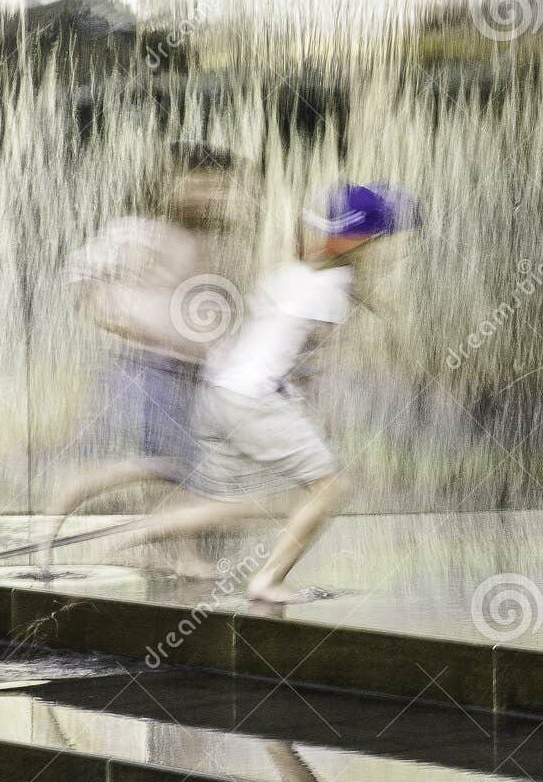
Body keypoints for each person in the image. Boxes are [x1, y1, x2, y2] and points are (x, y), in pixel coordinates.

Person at [109, 182, 420, 603]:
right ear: (361, 239)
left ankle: (158, 525)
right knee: (330, 489)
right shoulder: (331, 289)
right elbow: (308, 359)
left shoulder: (294, 274)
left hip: (220, 393)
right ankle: (267, 581)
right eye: (390, 240)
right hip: (253, 399)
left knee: (257, 502)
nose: (396, 252)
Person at [37, 143, 238, 576]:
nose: (213, 194)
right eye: (203, 183)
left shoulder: (193, 235)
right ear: (170, 183)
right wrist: (108, 313)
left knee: (176, 465)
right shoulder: (139, 229)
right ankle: (78, 491)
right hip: (149, 367)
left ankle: (171, 551)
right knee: (171, 465)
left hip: (184, 368)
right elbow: (80, 273)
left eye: (220, 186)